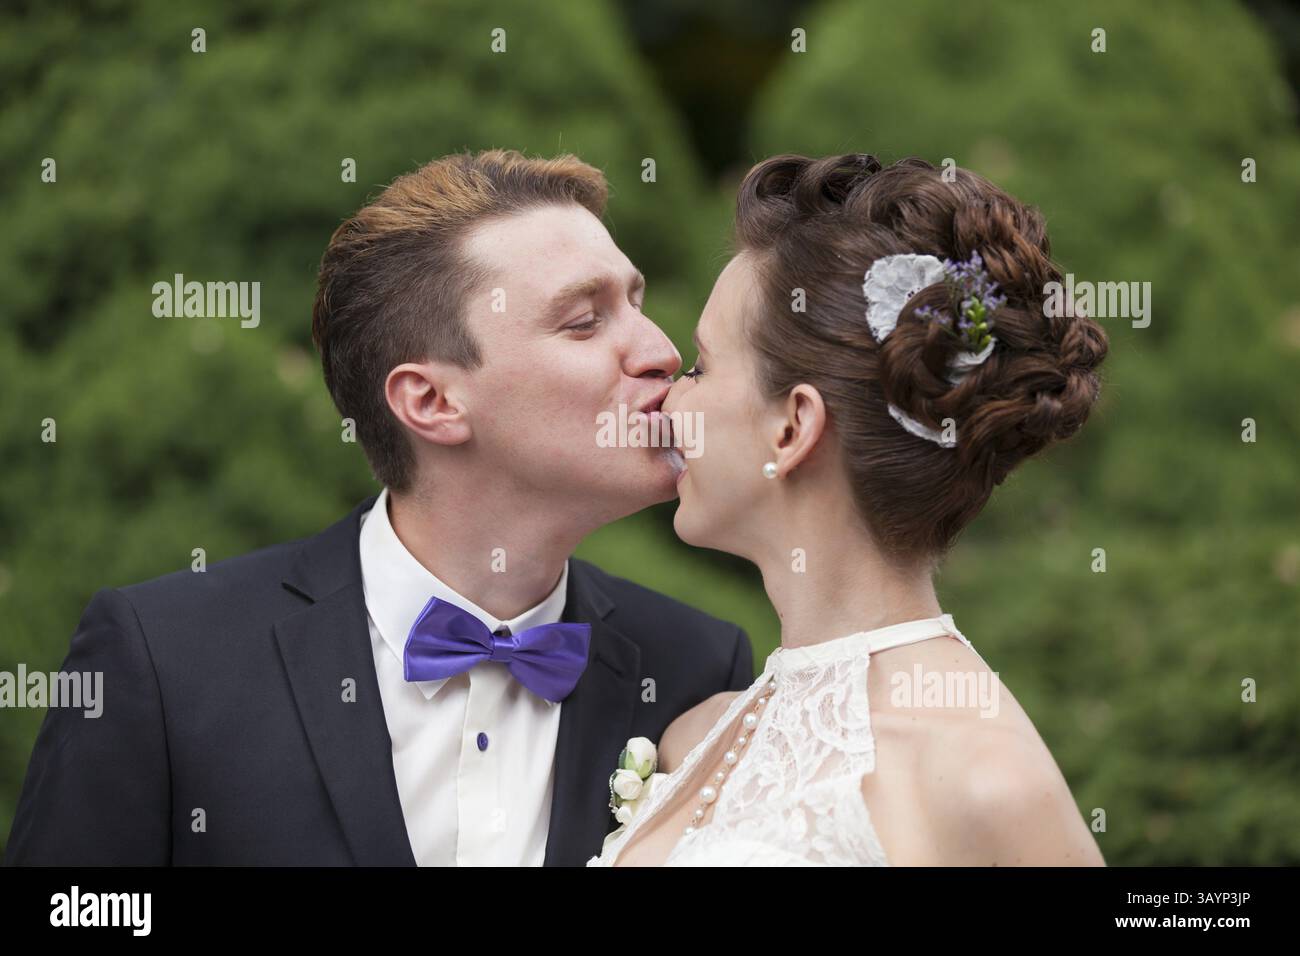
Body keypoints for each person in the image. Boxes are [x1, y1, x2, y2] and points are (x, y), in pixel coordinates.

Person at [5, 150, 753, 867]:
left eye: (637, 302)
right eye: (584, 321)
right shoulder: (165, 660)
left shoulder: (696, 670)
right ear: (429, 401)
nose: (659, 350)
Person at [591, 153, 1109, 866]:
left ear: (793, 428)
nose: (670, 395)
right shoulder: (700, 734)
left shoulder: (986, 781)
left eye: (704, 367)